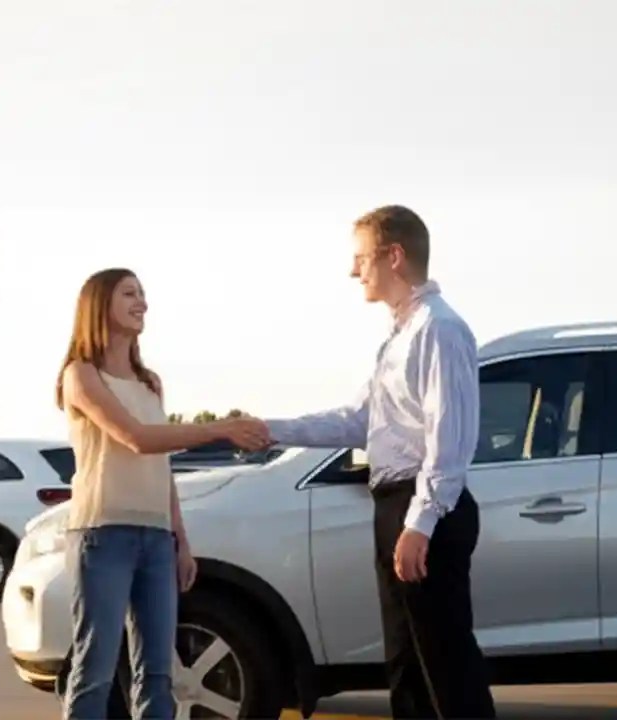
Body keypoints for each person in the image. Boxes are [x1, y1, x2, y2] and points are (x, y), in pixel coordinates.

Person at [254, 205, 496, 719]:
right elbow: (359, 420)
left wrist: (421, 523)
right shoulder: (400, 336)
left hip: (423, 507)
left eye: (361, 258)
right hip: (396, 505)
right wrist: (269, 431)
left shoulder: (440, 330)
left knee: (445, 663)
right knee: (407, 663)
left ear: (395, 255)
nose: (353, 271)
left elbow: (448, 437)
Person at [56, 267, 269, 720]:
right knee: (94, 667)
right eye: (129, 293)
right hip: (102, 533)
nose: (142, 302)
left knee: (157, 673)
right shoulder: (81, 375)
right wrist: (221, 429)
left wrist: (181, 538)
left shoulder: (149, 382)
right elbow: (136, 437)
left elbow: (160, 462)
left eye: (143, 294)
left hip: (156, 539)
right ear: (99, 305)